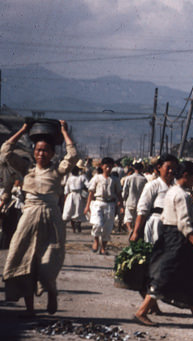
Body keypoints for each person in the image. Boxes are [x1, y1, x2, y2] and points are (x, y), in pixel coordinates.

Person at [1, 120, 78, 316]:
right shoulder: (26, 169)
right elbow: (5, 152)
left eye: (45, 150)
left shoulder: (57, 172)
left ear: (52, 153)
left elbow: (73, 155)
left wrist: (63, 131)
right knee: (23, 260)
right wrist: (23, 130)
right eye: (38, 150)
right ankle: (30, 309)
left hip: (51, 219)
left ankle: (51, 291)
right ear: (33, 152)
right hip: (28, 217)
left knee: (47, 263)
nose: (41, 153)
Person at [133, 160, 193, 328]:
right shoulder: (181, 195)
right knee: (165, 275)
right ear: (186, 175)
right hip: (178, 239)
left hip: (171, 236)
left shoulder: (173, 191)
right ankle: (142, 311)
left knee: (191, 278)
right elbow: (184, 223)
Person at [131, 154, 178, 245]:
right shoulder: (152, 186)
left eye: (174, 168)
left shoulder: (177, 187)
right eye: (168, 168)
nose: (171, 171)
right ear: (159, 167)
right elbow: (142, 210)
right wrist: (136, 232)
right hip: (156, 223)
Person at [84, 156, 122, 255]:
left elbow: (118, 193)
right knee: (97, 224)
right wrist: (87, 206)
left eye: (110, 167)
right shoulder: (97, 177)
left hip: (110, 204)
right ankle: (96, 240)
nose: (108, 169)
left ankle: (103, 247)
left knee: (107, 227)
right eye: (106, 166)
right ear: (102, 166)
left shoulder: (115, 179)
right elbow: (91, 193)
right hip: (98, 202)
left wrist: (121, 205)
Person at [120, 163, 148, 234]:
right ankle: (135, 232)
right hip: (140, 202)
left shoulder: (129, 178)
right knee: (137, 219)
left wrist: (124, 199)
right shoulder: (144, 179)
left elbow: (125, 190)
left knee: (128, 218)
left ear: (134, 169)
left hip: (130, 201)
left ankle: (130, 230)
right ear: (142, 169)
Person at [61, 162, 88, 233]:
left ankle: (77, 226)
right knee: (73, 210)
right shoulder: (71, 178)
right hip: (73, 195)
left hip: (76, 195)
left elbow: (88, 185)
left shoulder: (81, 177)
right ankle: (74, 228)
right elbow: (66, 189)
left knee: (78, 211)